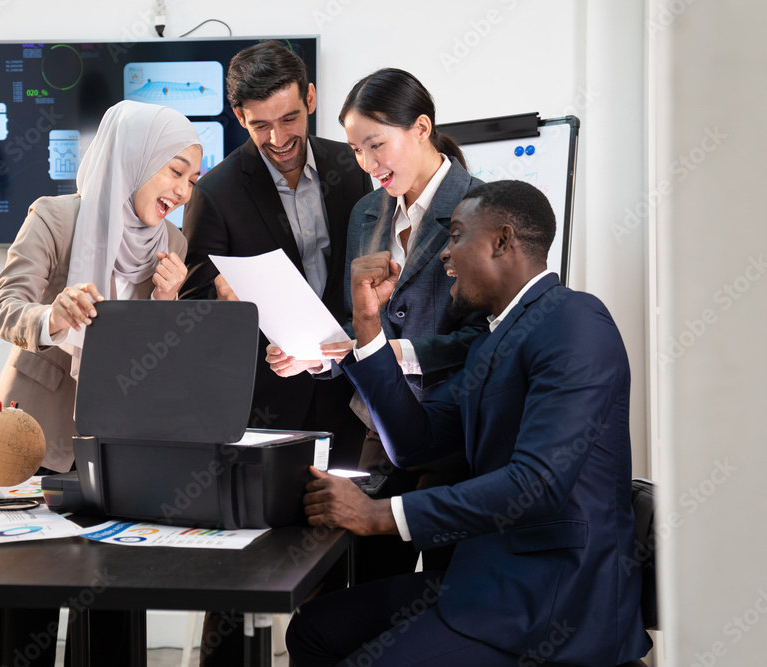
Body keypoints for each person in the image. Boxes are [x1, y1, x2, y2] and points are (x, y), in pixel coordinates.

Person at [286, 180, 652, 665]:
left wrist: (379, 515)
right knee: (313, 629)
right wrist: (369, 326)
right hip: (486, 578)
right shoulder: (492, 342)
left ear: (502, 241)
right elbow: (415, 444)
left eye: (456, 235)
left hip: (552, 600)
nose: (444, 253)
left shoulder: (574, 319)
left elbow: (537, 483)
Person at [0, 100, 202, 667]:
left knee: (113, 603)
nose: (183, 191)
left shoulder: (172, 246)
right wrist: (53, 316)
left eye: (192, 180)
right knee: (30, 601)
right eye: (175, 171)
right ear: (136, 159)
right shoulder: (55, 217)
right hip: (35, 437)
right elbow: (4, 308)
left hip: (119, 448)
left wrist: (167, 303)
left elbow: (160, 365)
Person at [179, 41, 372, 666]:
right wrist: (231, 303)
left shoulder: (354, 166)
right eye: (261, 125)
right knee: (244, 567)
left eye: (290, 118)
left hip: (354, 399)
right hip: (265, 409)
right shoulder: (217, 191)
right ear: (239, 117)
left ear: (310, 98)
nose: (280, 138)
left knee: (341, 560)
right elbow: (194, 304)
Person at [266, 68, 488, 579]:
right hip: (379, 429)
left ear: (421, 128)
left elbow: (489, 336)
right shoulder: (367, 211)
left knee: (449, 587)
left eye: (376, 146)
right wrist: (315, 354)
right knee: (367, 586)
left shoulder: (482, 206)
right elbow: (358, 322)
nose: (366, 164)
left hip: (456, 430)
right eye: (356, 150)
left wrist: (395, 355)